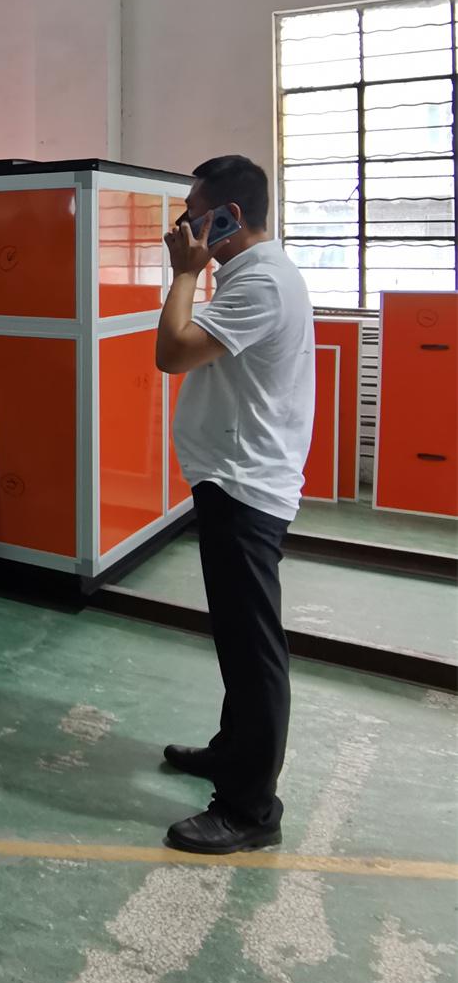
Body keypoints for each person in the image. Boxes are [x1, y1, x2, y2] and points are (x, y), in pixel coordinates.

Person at [157, 154, 314, 856]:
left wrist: (184, 274)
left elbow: (173, 351)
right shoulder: (251, 274)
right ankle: (232, 750)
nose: (184, 227)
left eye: (194, 216)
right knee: (235, 638)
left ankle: (250, 810)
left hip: (246, 486)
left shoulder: (261, 282)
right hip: (231, 478)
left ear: (230, 216)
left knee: (253, 652)